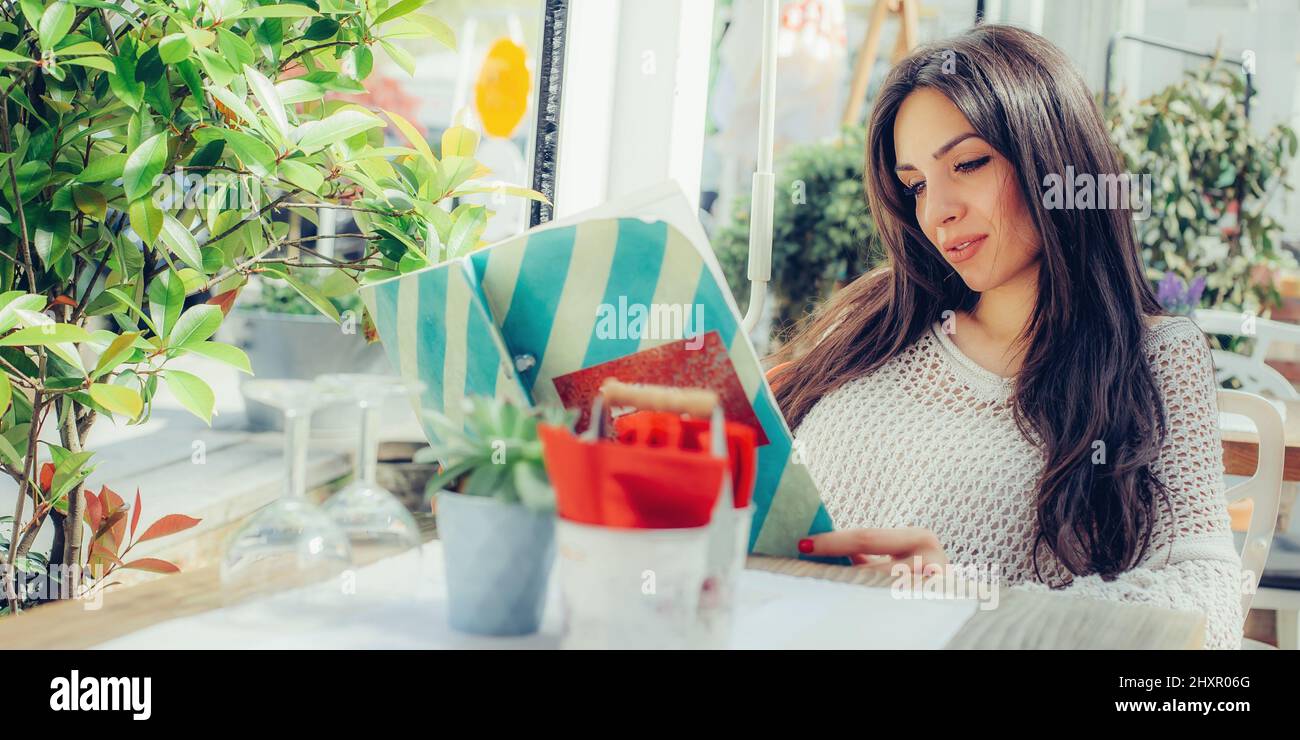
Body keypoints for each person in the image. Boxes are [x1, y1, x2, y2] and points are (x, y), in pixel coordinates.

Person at [771, 25, 1243, 648]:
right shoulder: (873, 317)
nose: (936, 210)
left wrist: (970, 605)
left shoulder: (1154, 359)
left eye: (967, 164)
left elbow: (1209, 607)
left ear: (1051, 159)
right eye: (914, 184)